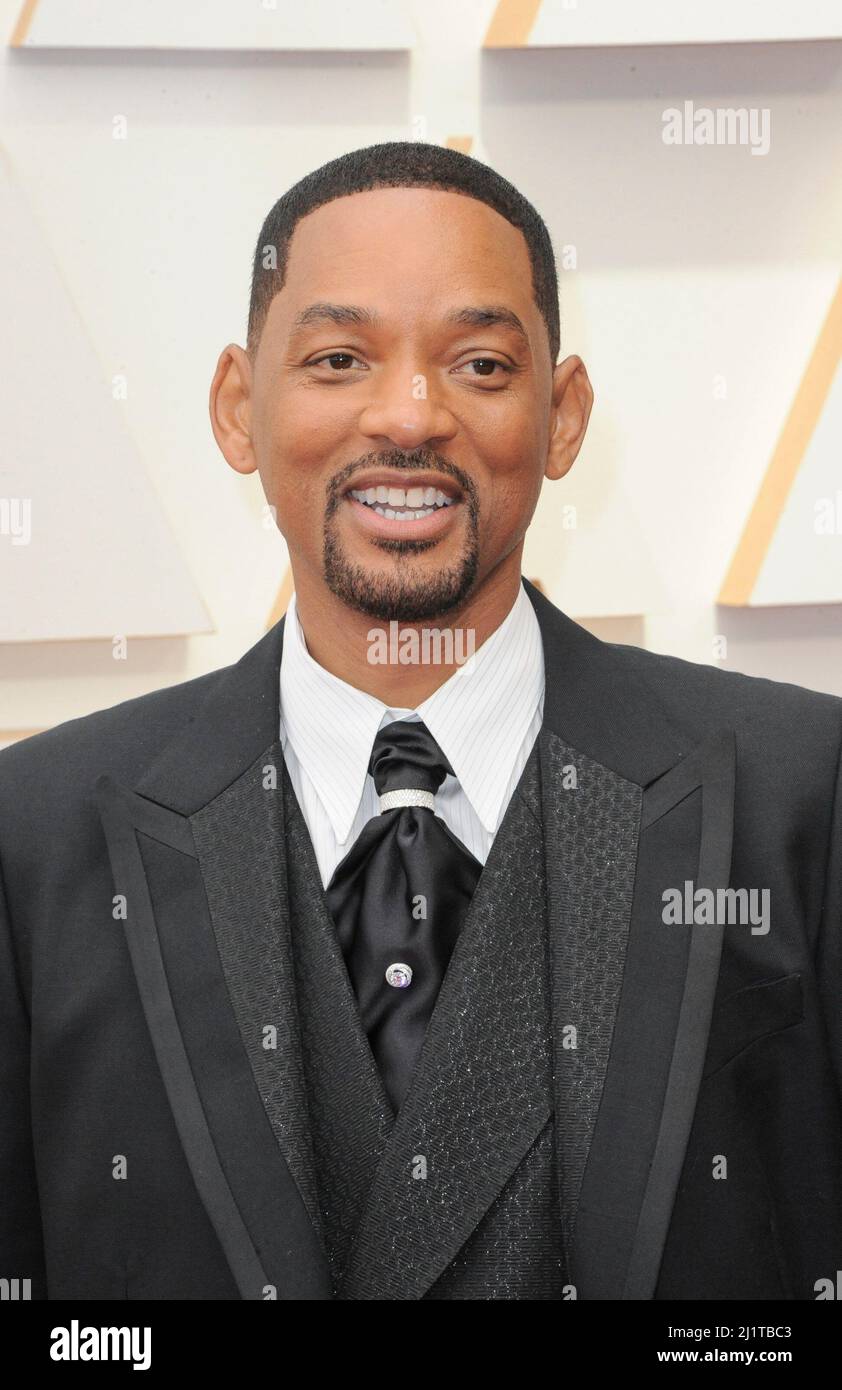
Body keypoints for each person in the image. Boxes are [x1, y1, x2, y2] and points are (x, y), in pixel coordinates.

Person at [1, 141, 840, 1301]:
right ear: (240, 411)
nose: (409, 415)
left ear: (563, 416)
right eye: (339, 357)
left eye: (481, 364)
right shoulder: (36, 836)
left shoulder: (803, 794)